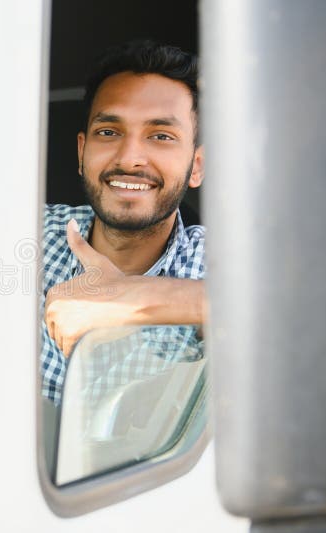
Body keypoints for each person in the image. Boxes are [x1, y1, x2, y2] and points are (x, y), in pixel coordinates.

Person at [41, 41, 206, 404]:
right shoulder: (20, 234)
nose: (130, 158)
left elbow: (322, 319)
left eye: (161, 136)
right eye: (109, 132)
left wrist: (139, 297)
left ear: (196, 166)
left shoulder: (222, 266)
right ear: (82, 152)